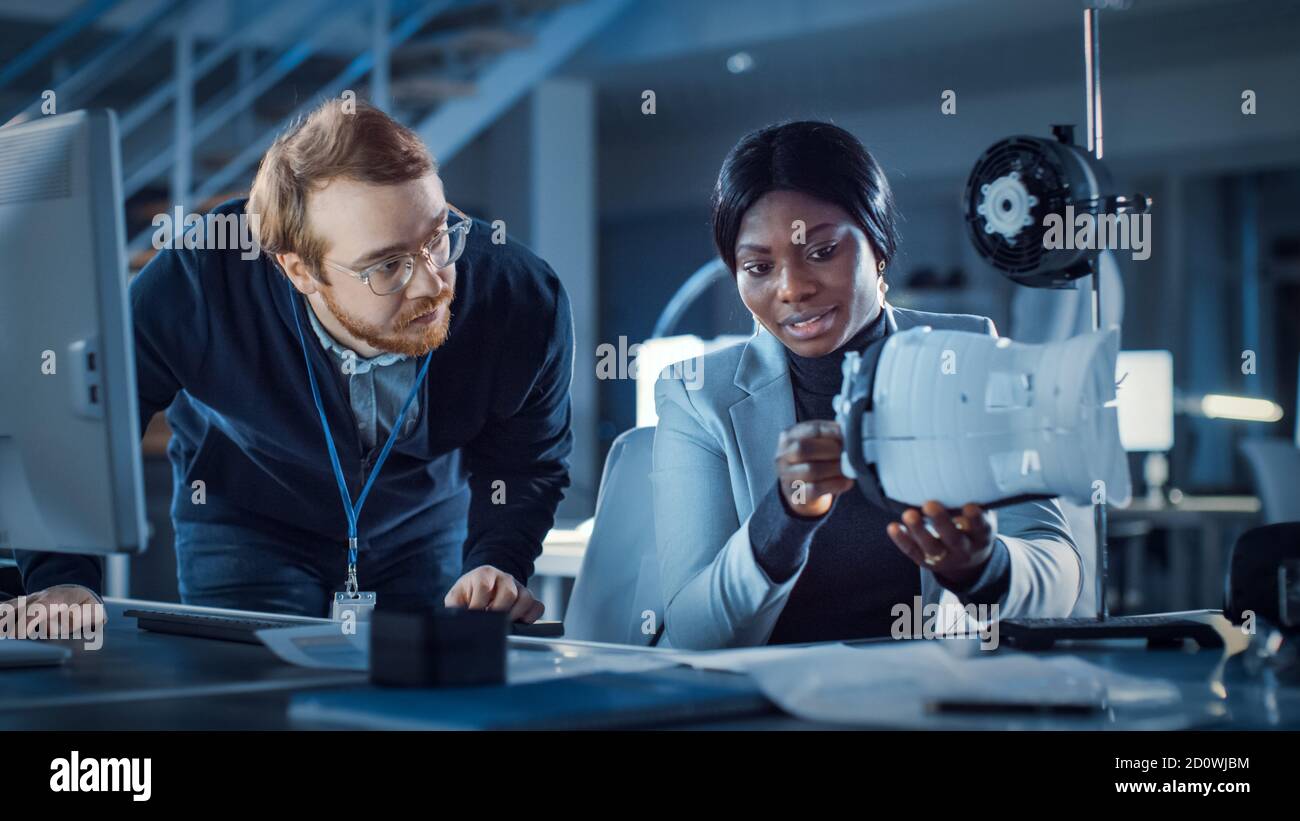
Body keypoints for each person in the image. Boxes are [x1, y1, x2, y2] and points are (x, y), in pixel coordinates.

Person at [14, 99, 572, 623]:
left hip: (421, 524)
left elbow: (528, 463)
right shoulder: (202, 279)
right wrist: (64, 578)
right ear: (300, 270)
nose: (433, 283)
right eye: (387, 266)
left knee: (416, 689)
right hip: (247, 519)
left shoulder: (522, 299)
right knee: (259, 689)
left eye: (438, 237)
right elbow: (79, 428)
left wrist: (497, 560)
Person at [651, 121, 1082, 649]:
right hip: (769, 692)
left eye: (822, 252)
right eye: (759, 266)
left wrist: (985, 567)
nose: (792, 289)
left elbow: (1059, 580)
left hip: (932, 686)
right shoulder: (698, 395)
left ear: (878, 245)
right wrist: (782, 520)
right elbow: (694, 633)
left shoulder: (967, 354)